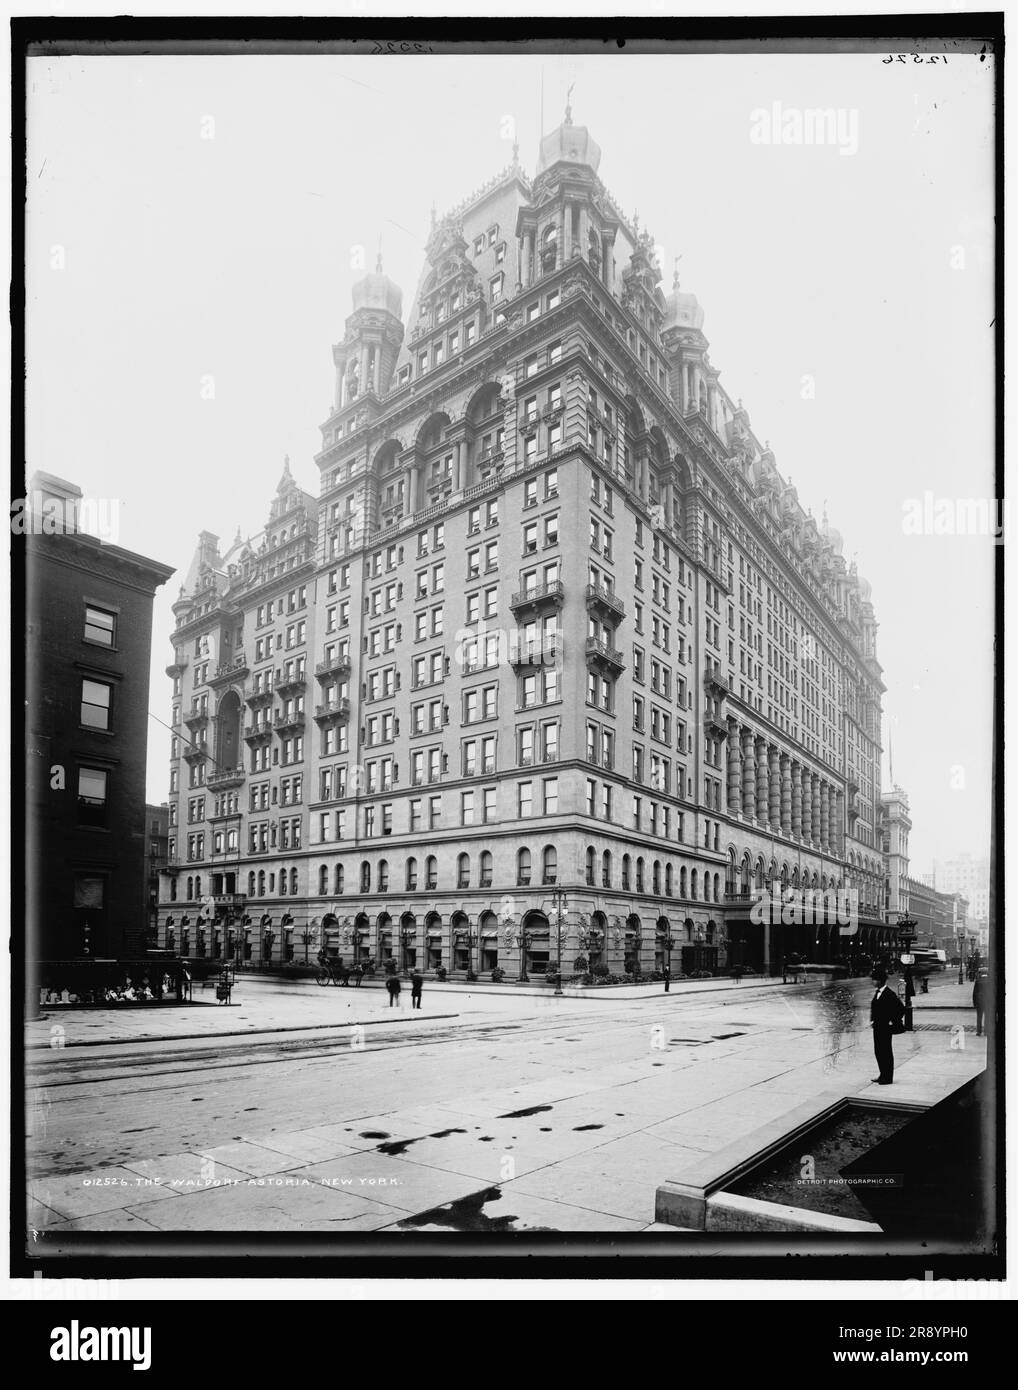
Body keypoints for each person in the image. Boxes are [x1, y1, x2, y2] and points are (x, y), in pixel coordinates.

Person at [870, 967, 905, 1084]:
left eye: (874, 980)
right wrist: (872, 1020)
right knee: (878, 1052)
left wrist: (891, 1021)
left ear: (880, 980)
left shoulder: (889, 994)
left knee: (886, 1052)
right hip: (877, 1028)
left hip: (885, 1028)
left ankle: (888, 1077)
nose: (872, 982)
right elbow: (875, 1007)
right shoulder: (878, 993)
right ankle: (882, 1074)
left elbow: (901, 1009)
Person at [972, 968, 988, 1037]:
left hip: (979, 1001)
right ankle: (986, 1032)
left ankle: (979, 1031)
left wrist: (974, 1003)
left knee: (979, 1017)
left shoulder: (978, 981)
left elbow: (974, 993)